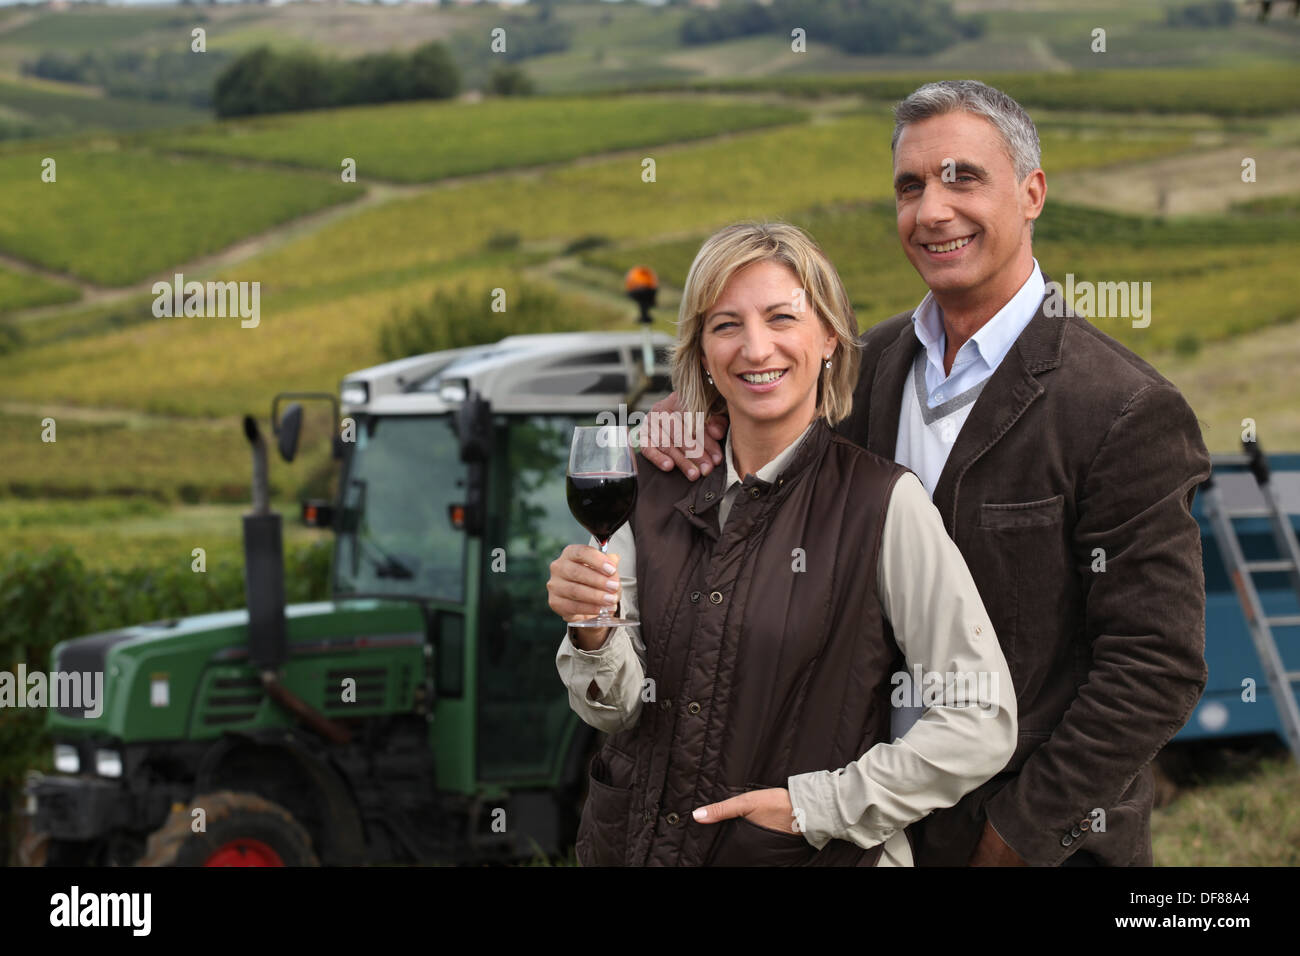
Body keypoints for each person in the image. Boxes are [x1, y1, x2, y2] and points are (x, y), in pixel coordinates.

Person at [639, 81, 1212, 867]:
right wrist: (676, 411)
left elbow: (1155, 667)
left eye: (962, 177)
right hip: (860, 834)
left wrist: (1014, 836)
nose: (932, 210)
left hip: (1028, 845)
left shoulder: (1122, 409)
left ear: (1033, 191)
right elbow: (748, 406)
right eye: (911, 187)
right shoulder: (859, 376)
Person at [548, 220, 1016, 867]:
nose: (755, 347)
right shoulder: (646, 485)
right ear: (703, 353)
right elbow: (614, 710)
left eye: (781, 318)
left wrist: (816, 807)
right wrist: (593, 634)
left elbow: (980, 717)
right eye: (726, 325)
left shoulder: (884, 504)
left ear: (828, 336)